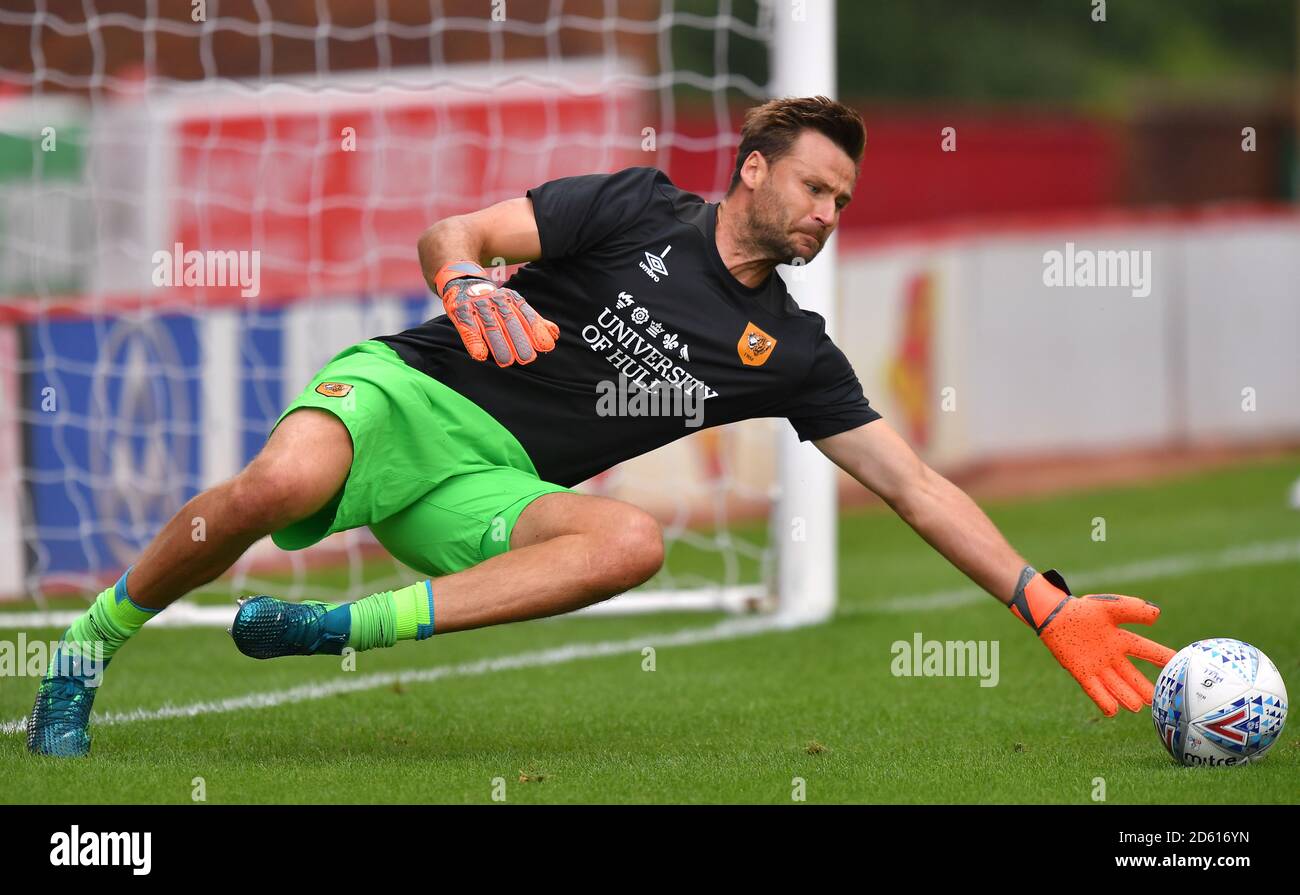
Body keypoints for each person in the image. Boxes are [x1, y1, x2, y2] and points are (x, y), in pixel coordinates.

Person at [28, 96, 1175, 757]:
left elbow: (913, 484)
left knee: (632, 543)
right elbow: (454, 233)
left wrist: (1043, 602)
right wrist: (468, 286)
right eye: (815, 190)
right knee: (275, 489)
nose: (828, 216)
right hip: (406, 390)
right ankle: (84, 650)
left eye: (843, 205)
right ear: (753, 169)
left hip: (488, 483)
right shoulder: (633, 208)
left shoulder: (797, 353)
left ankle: (334, 628)